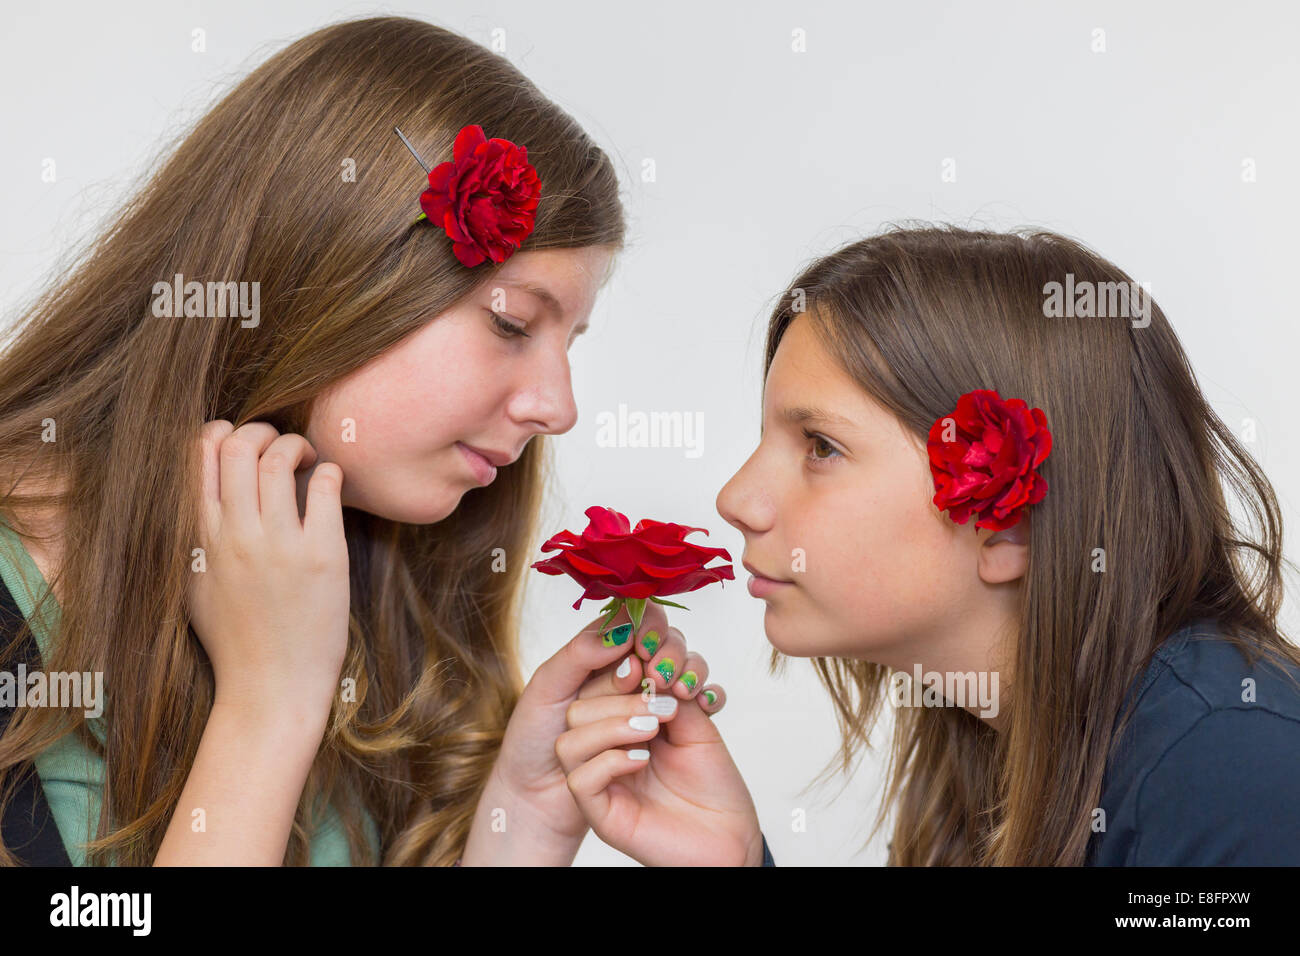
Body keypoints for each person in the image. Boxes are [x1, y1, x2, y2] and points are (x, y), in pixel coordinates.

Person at [0, 15, 723, 867]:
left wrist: (521, 821)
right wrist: (270, 706)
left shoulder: (376, 573)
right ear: (331, 268)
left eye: (572, 342)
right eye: (511, 322)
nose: (557, 408)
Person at [557, 224, 1300, 866]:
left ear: (1006, 516)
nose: (736, 500)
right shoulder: (979, 750)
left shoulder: (1229, 759)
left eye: (819, 445)